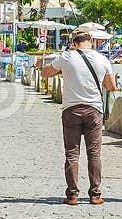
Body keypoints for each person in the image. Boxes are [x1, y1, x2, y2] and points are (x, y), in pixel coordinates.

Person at [39, 22, 117, 205]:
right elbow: (111, 86)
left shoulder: (66, 57)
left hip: (71, 110)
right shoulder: (102, 60)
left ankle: (72, 195)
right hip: (94, 110)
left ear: (74, 42)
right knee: (94, 154)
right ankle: (95, 194)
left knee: (72, 153)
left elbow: (45, 73)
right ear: (90, 40)